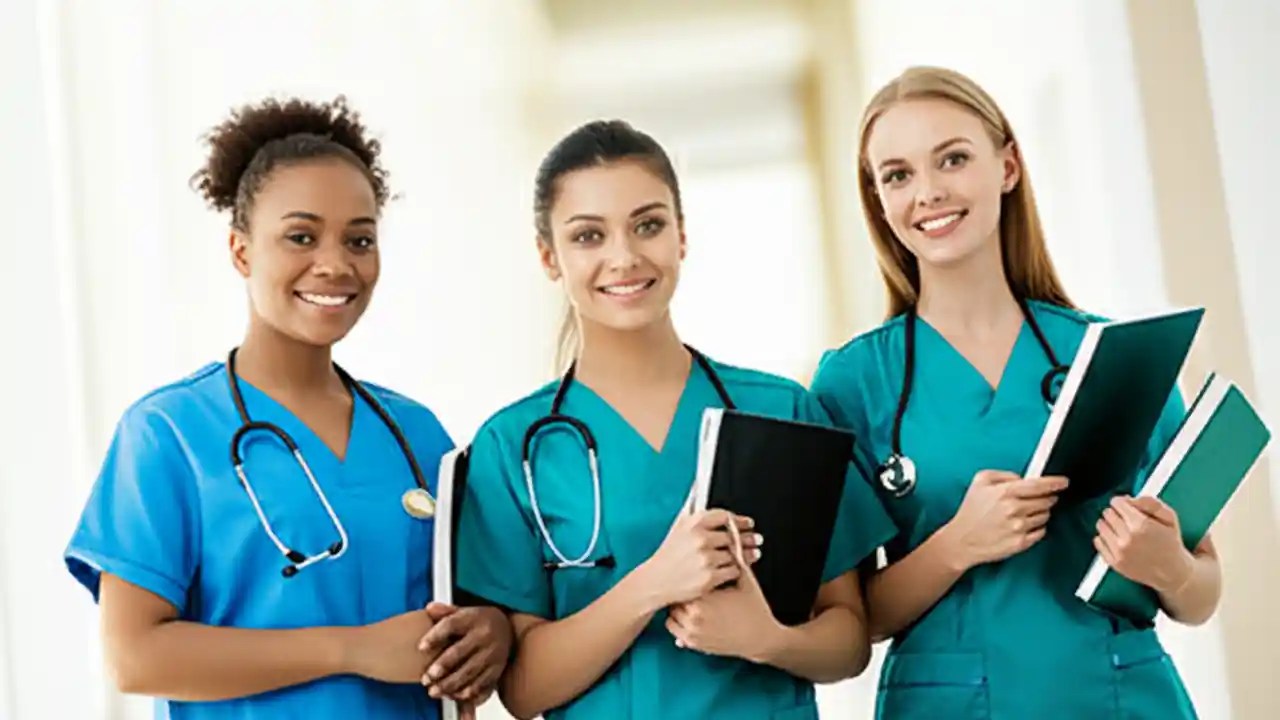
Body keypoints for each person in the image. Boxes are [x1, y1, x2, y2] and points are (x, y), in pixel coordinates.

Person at [63, 95, 512, 719]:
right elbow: (134, 657)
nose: (335, 264)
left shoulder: (418, 434)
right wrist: (350, 649)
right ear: (241, 250)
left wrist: (490, 631)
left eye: (360, 239)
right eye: (301, 236)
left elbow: (479, 603)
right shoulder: (168, 433)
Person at [810, 65, 1222, 719]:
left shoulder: (1115, 355)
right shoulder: (854, 382)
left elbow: (1201, 591)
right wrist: (956, 545)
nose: (928, 192)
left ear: (1007, 166)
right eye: (898, 175)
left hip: (1121, 698)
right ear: (879, 200)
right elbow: (853, 624)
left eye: (952, 159)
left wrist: (1166, 564)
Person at [454, 119, 895, 720]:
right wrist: (654, 584)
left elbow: (848, 640)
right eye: (588, 236)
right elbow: (525, 690)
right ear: (548, 257)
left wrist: (765, 638)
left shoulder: (780, 410)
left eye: (648, 225)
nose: (624, 257)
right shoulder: (512, 445)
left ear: (681, 236)